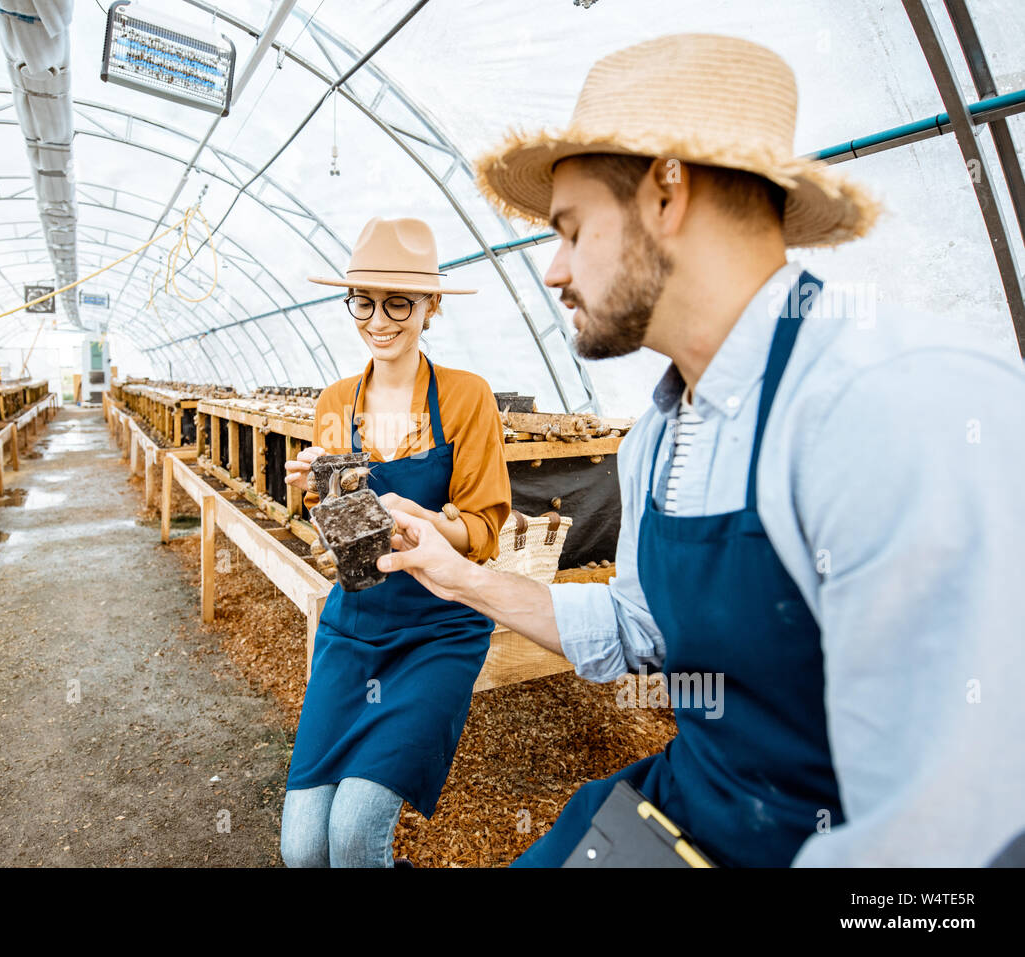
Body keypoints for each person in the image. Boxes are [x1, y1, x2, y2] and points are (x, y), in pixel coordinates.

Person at [377, 33, 1025, 867]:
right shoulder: (658, 435)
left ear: (667, 194)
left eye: (571, 230)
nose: (553, 270)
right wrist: (457, 573)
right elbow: (635, 626)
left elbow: (958, 841)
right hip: (680, 811)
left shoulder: (895, 403)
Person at [278, 216, 511, 868]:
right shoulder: (334, 402)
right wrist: (321, 493)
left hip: (437, 629)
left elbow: (484, 533)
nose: (378, 320)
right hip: (356, 626)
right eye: (363, 302)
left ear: (431, 306)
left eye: (398, 303)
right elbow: (348, 554)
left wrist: (424, 520)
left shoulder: (467, 399)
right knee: (301, 848)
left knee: (353, 834)